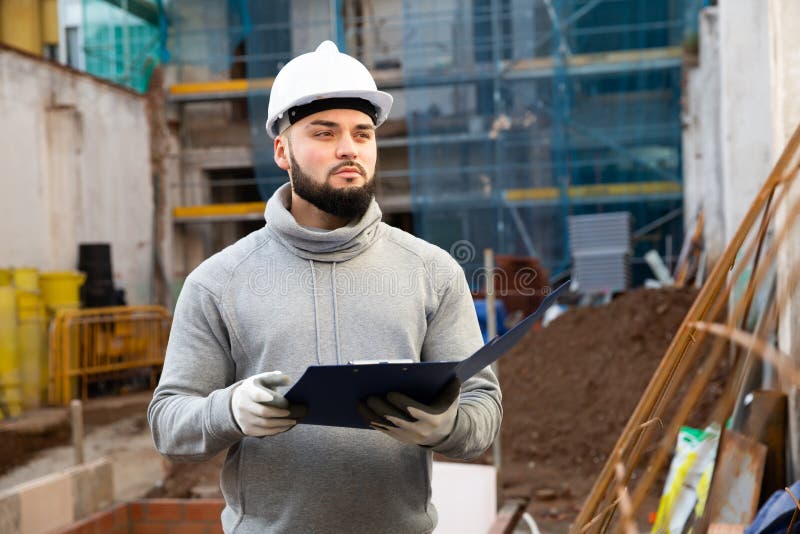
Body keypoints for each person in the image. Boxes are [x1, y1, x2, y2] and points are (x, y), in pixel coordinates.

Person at [148, 40, 502, 533]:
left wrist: (450, 426)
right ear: (282, 151)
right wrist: (228, 410)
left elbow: (483, 405)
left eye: (362, 133)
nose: (348, 148)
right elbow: (168, 422)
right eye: (324, 132)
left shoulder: (432, 270)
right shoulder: (218, 282)